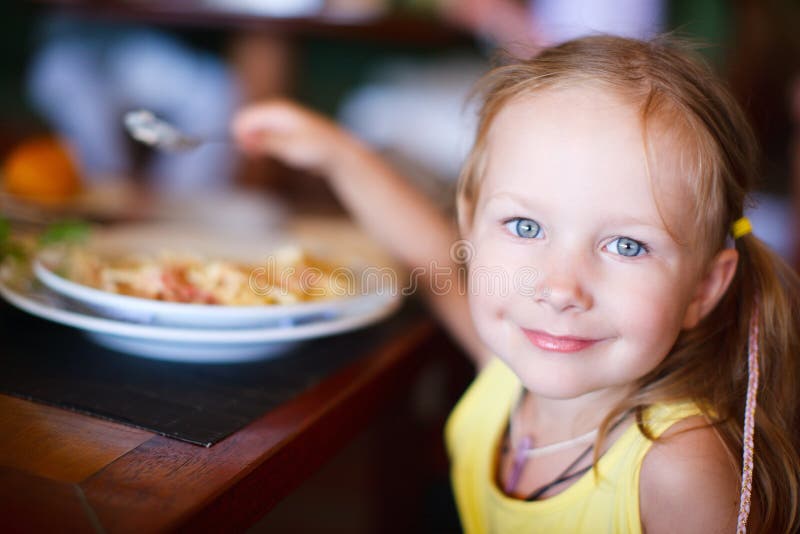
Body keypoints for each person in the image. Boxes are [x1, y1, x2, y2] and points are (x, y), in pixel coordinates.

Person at [232, 35, 800, 533]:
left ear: (703, 288)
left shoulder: (680, 471)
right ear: (472, 228)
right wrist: (336, 154)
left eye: (627, 245)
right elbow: (429, 250)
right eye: (525, 226)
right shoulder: (503, 378)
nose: (560, 289)